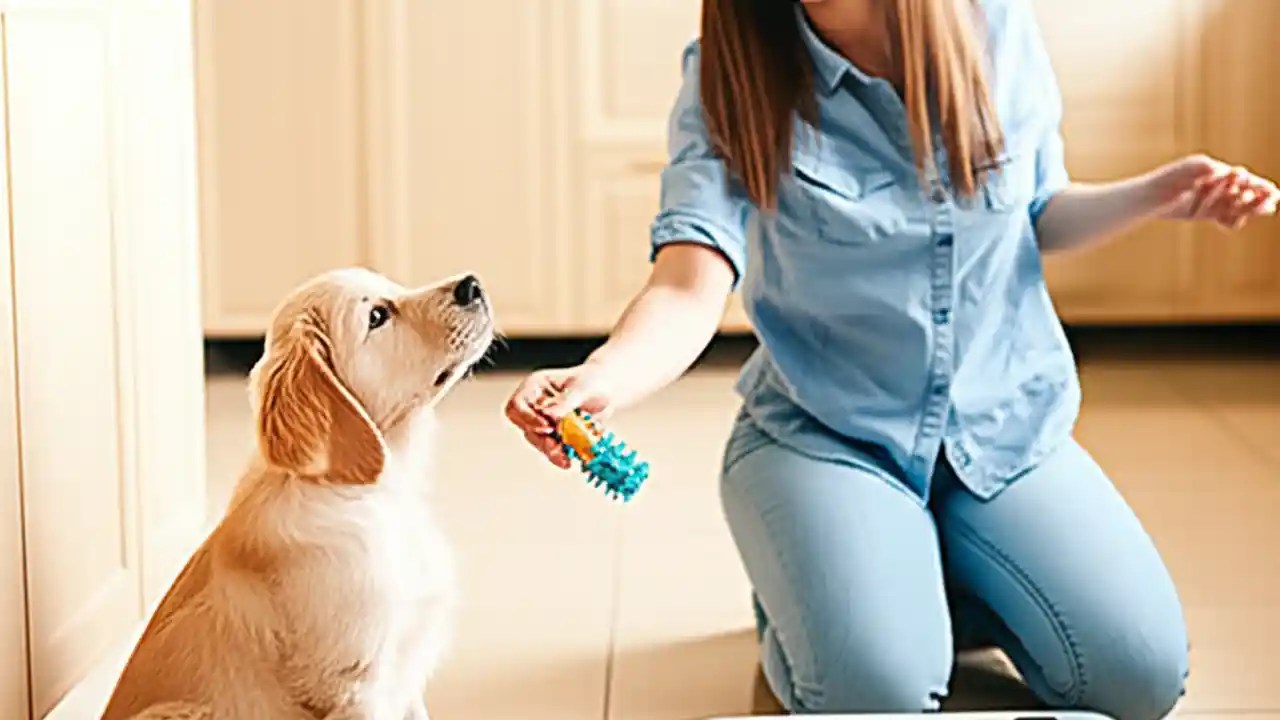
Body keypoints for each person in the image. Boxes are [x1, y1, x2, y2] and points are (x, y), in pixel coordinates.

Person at [505, 0, 1279, 716]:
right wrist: (599, 377)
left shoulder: (995, 26)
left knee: (1139, 676)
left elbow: (1035, 214)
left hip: (1001, 431)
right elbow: (687, 286)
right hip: (828, 434)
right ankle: (821, 587)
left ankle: (923, 574)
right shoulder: (731, 71)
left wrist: (1162, 194)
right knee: (876, 692)